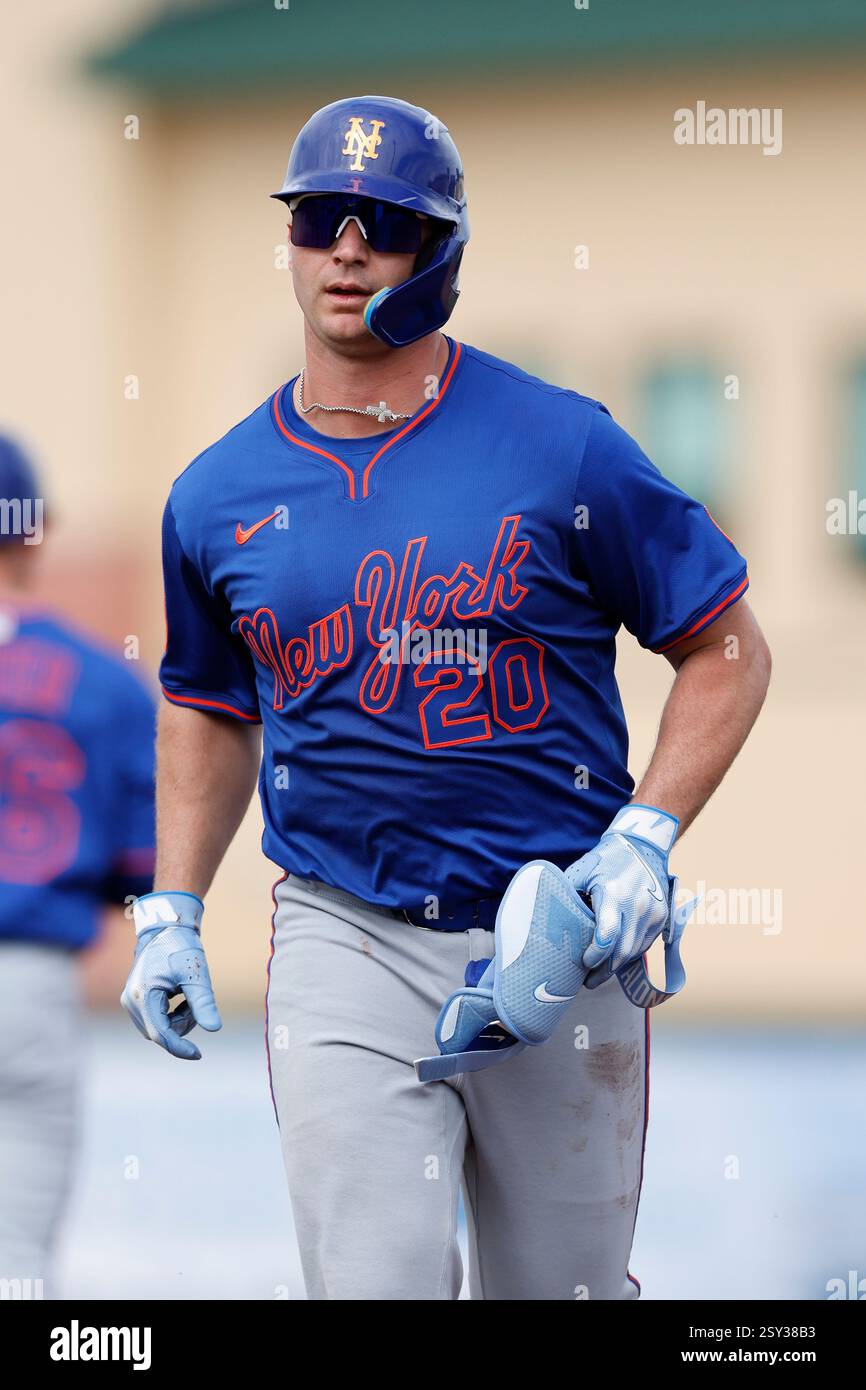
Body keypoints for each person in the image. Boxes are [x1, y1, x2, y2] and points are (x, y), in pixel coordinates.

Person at [122, 95, 771, 1300]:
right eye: (320, 217)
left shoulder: (561, 445)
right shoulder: (215, 492)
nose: (347, 246)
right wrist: (171, 905)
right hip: (343, 930)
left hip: (558, 929)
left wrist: (644, 837)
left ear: (441, 250)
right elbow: (209, 704)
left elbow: (725, 649)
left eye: (383, 220)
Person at [0, 434, 156, 1298]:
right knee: (15, 1265)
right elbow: (148, 866)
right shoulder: (101, 681)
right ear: (36, 531)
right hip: (29, 982)